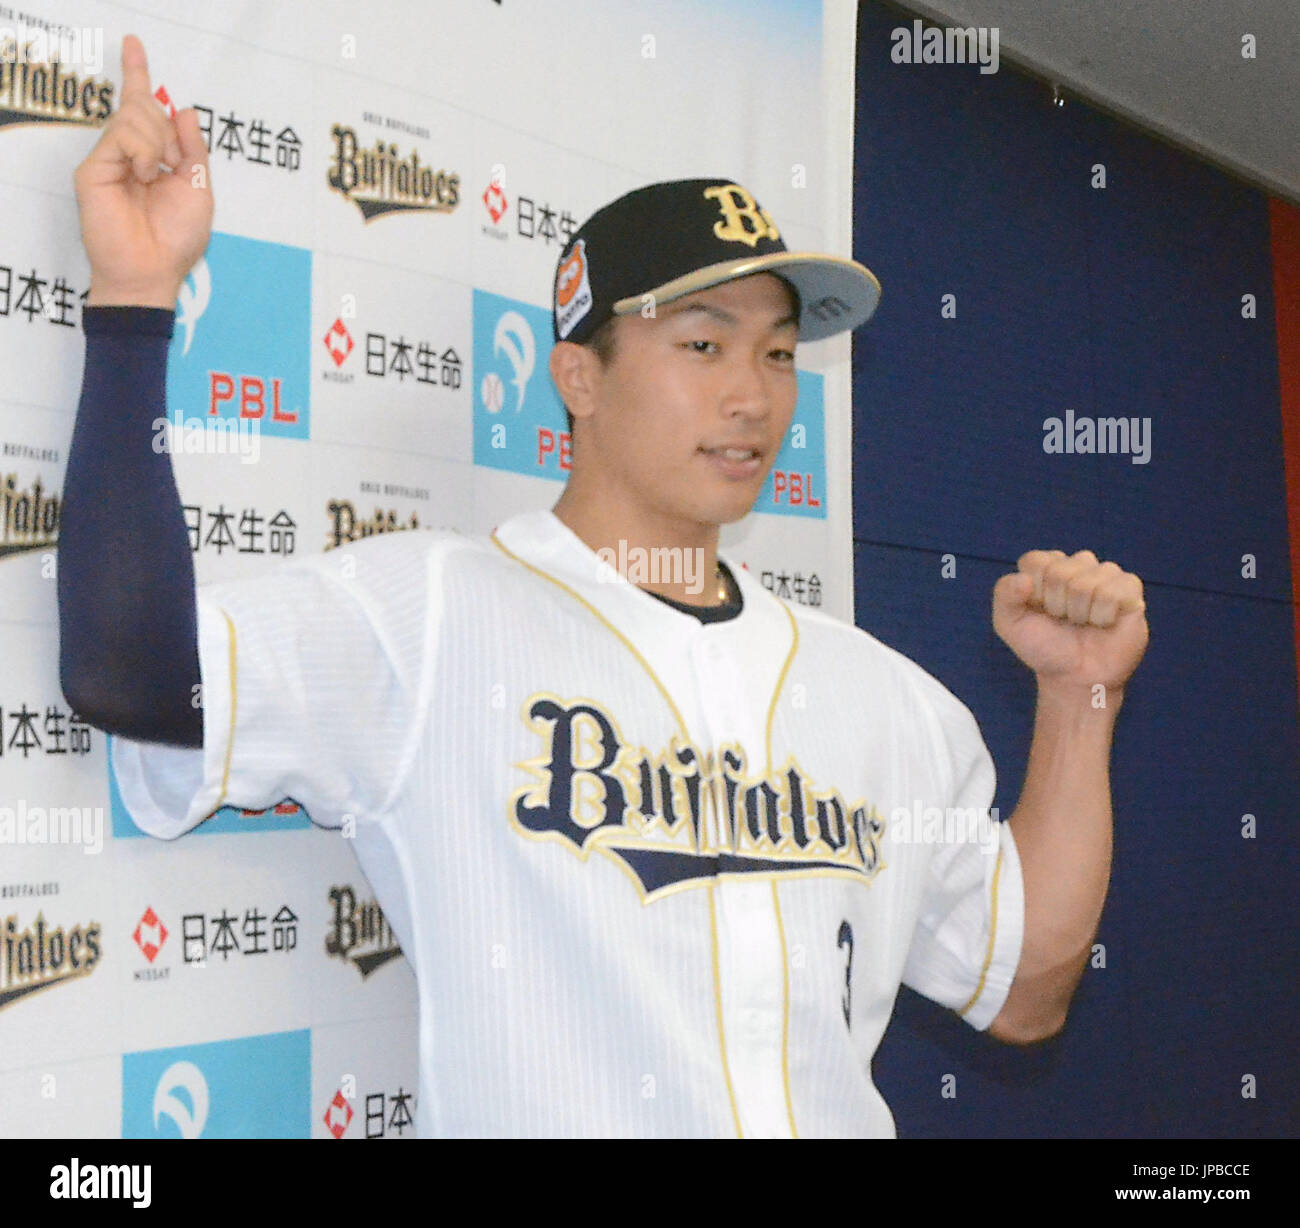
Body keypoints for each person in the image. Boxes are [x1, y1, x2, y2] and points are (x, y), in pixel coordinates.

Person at [59, 35, 1150, 1138]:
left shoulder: (879, 698)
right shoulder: (433, 618)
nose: (754, 397)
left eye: (777, 354)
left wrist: (1076, 700)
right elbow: (133, 670)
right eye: (702, 343)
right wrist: (135, 297)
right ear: (578, 375)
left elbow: (1022, 987)